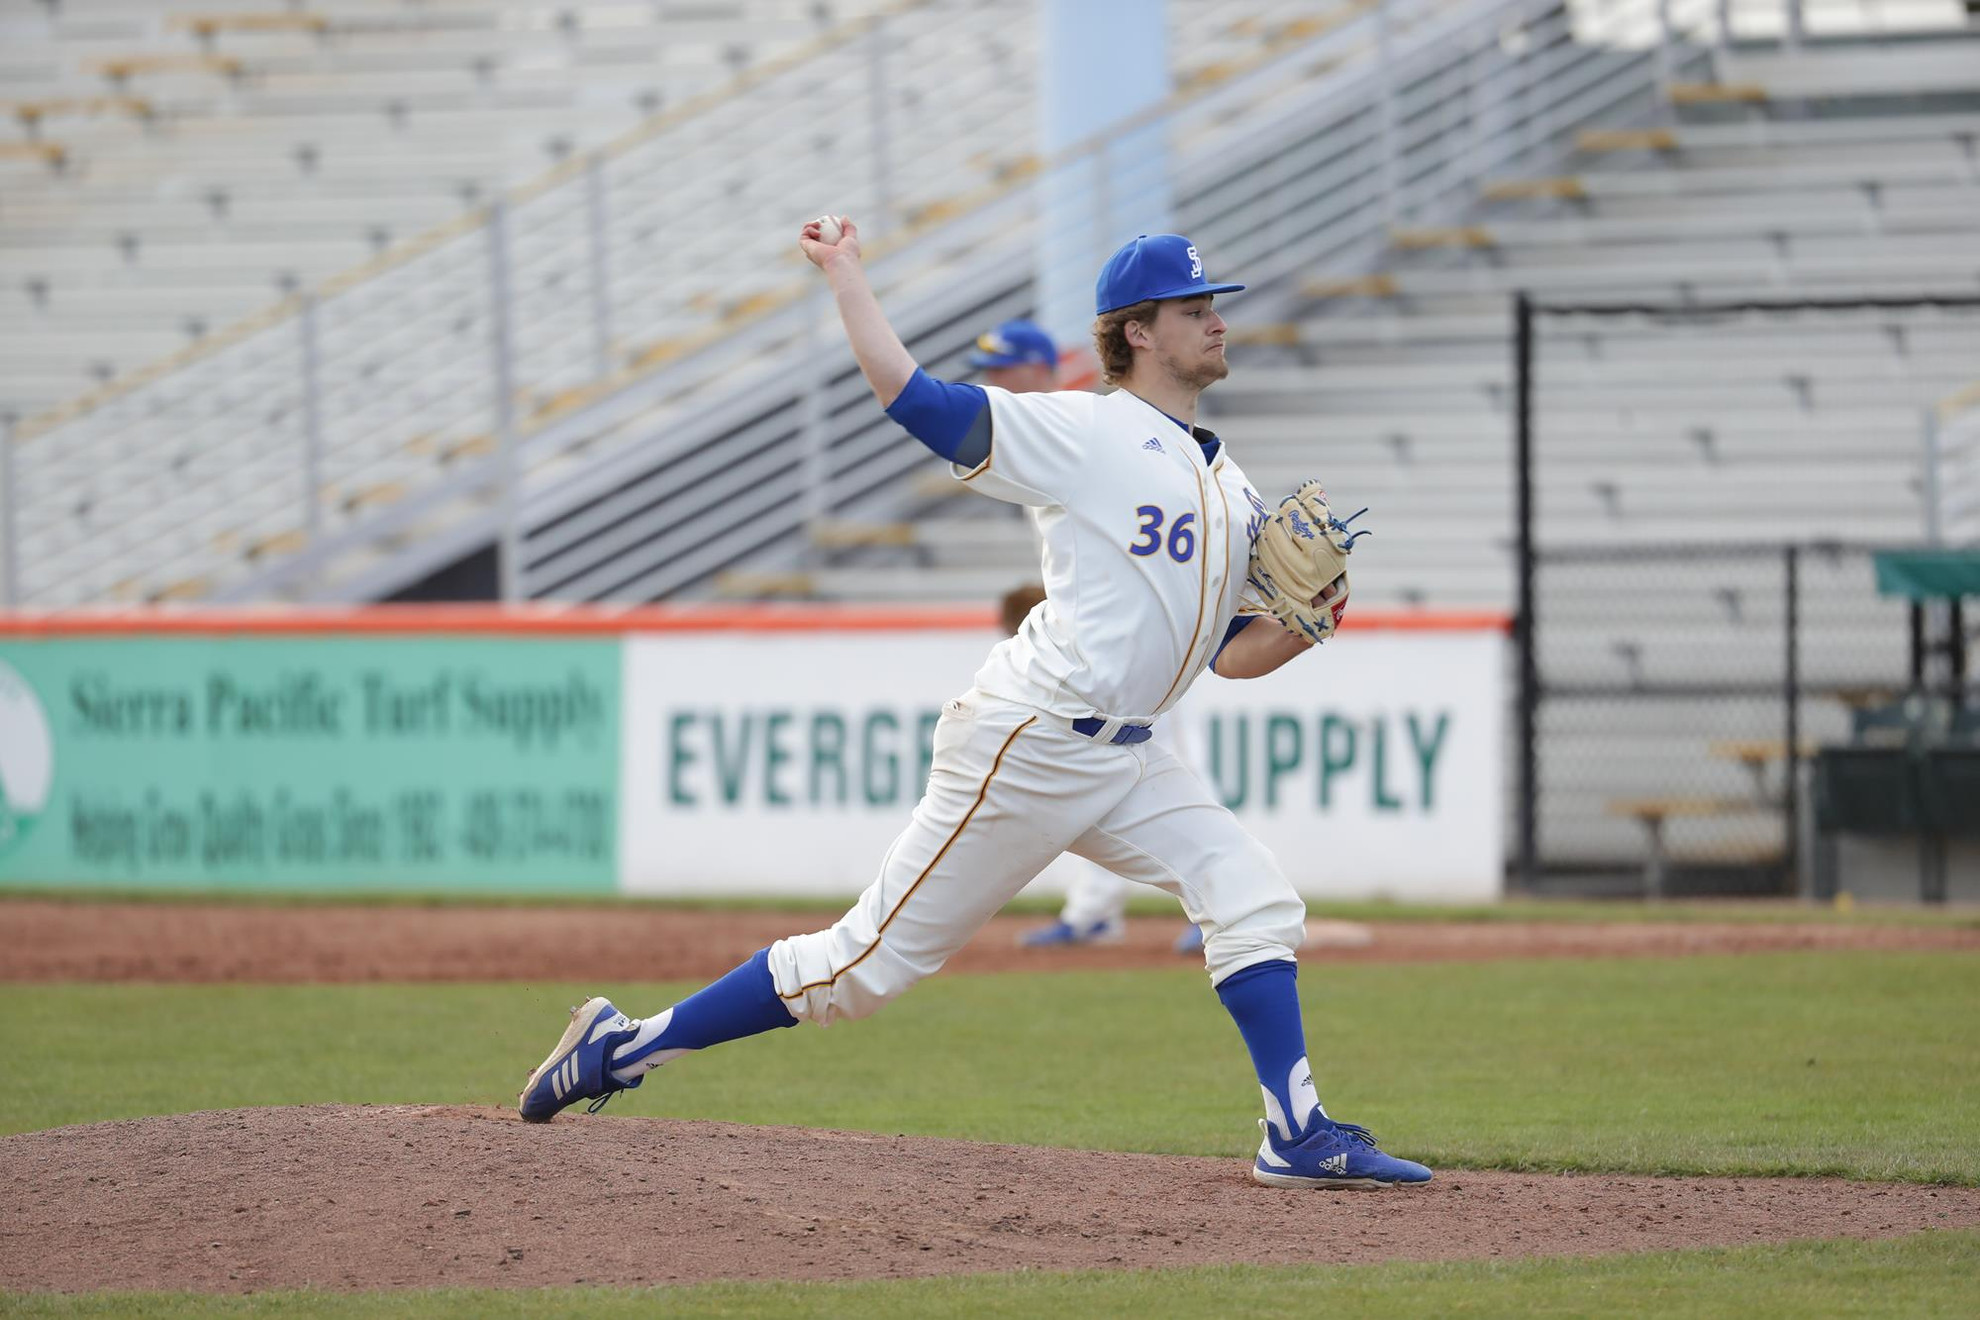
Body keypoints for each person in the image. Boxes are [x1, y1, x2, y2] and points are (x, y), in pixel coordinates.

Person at [517, 222, 1431, 1190]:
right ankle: (622, 1048)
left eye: (1214, 306)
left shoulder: (1230, 484)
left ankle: (1294, 1131)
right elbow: (914, 400)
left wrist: (1311, 622)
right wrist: (846, 274)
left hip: (1130, 755)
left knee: (1252, 897)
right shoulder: (1085, 430)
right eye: (1194, 308)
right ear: (1137, 334)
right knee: (855, 971)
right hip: (1030, 741)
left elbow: (1231, 660)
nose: (1215, 322)